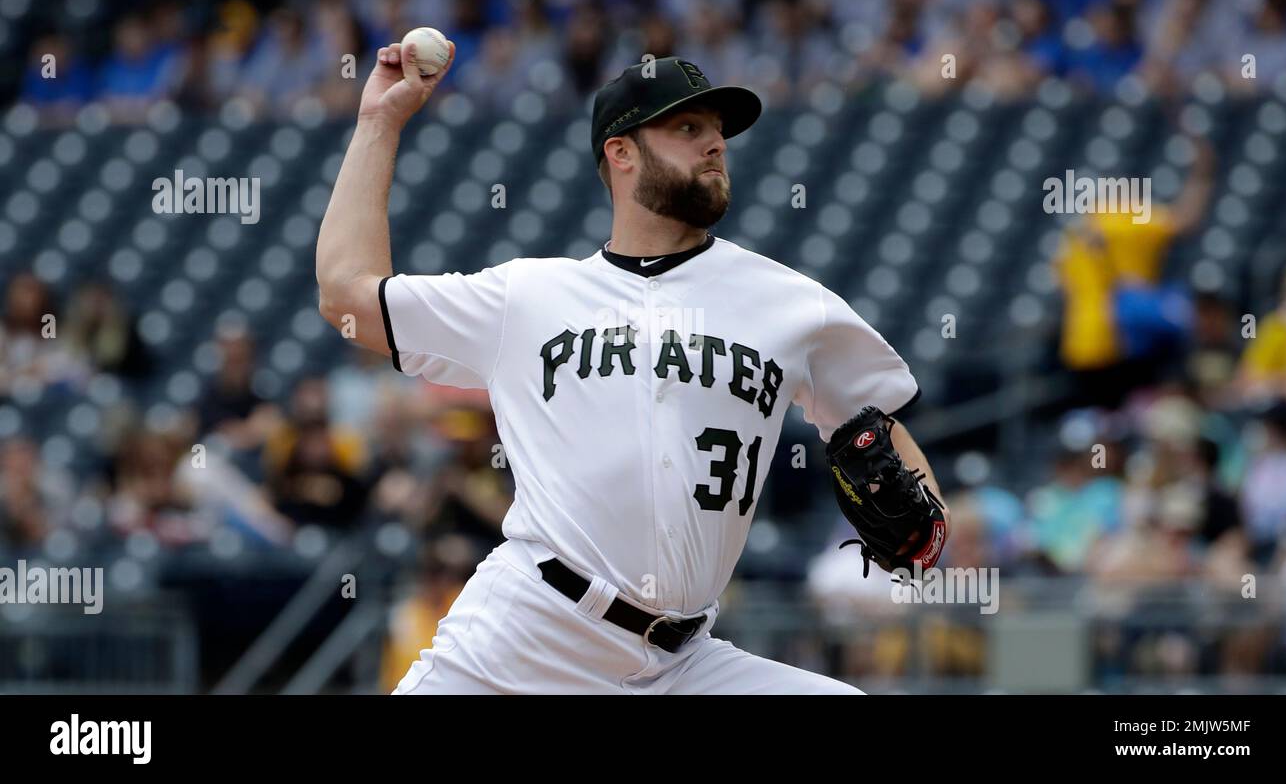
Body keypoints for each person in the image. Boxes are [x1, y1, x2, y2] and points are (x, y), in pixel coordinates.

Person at [316, 42, 945, 694]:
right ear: (621, 153)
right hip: (528, 634)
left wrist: (926, 535)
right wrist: (379, 124)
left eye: (717, 131)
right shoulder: (527, 298)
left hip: (685, 661)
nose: (714, 145)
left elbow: (877, 431)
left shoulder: (793, 306)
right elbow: (346, 292)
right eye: (686, 128)